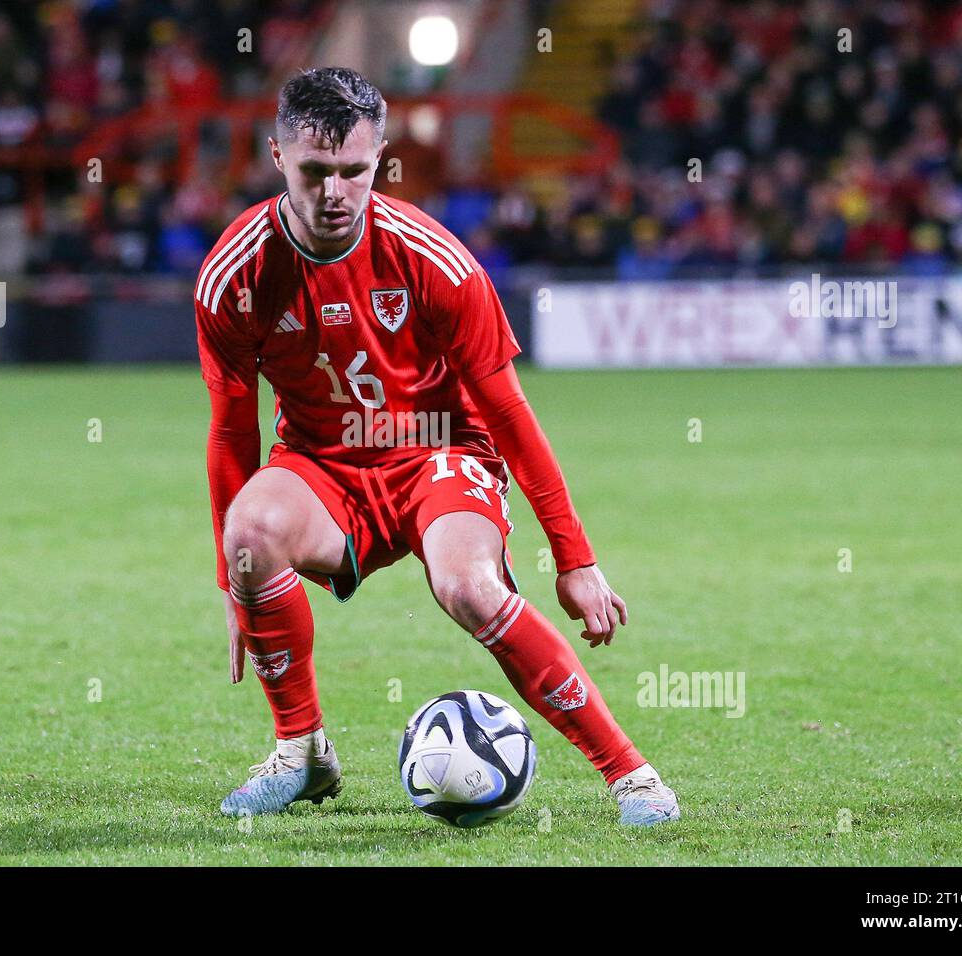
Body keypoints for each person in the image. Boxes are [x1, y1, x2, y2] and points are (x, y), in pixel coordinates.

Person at [195, 68, 679, 826]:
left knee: (468, 587)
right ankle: (303, 753)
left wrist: (576, 558)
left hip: (439, 453)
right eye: (314, 172)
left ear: (380, 158)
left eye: (353, 171)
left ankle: (633, 776)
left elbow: (511, 415)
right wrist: (234, 583)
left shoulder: (434, 261)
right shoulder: (235, 274)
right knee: (251, 537)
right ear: (277, 156)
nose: (333, 193)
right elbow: (232, 429)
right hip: (324, 465)